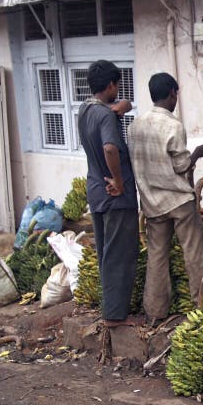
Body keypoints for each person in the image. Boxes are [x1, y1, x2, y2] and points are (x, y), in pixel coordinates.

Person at [128, 73, 203, 321]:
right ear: (172, 94)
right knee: (193, 251)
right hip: (178, 200)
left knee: (157, 256)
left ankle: (155, 311)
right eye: (176, 95)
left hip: (151, 202)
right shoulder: (173, 125)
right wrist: (197, 153)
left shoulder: (134, 126)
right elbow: (181, 166)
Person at [77, 60, 139, 327]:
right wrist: (119, 180)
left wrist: (122, 106)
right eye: (118, 86)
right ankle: (115, 315)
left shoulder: (86, 109)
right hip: (115, 194)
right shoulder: (104, 116)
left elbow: (116, 109)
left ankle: (110, 308)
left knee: (105, 253)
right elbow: (110, 148)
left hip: (96, 192)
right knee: (120, 254)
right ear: (111, 84)